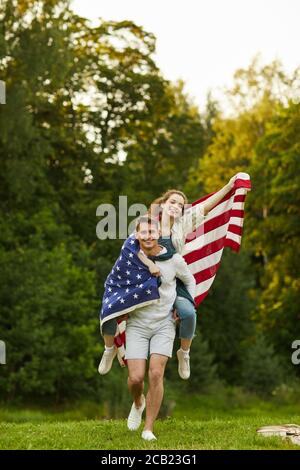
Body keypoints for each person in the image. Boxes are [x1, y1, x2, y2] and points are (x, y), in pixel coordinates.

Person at [124, 215, 195, 441]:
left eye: (152, 232)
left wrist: (183, 303)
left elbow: (189, 280)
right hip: (137, 324)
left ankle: (148, 428)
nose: (148, 236)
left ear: (158, 235)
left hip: (164, 323)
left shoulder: (173, 260)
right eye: (143, 233)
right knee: (135, 379)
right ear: (137, 235)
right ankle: (138, 402)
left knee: (156, 373)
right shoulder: (130, 258)